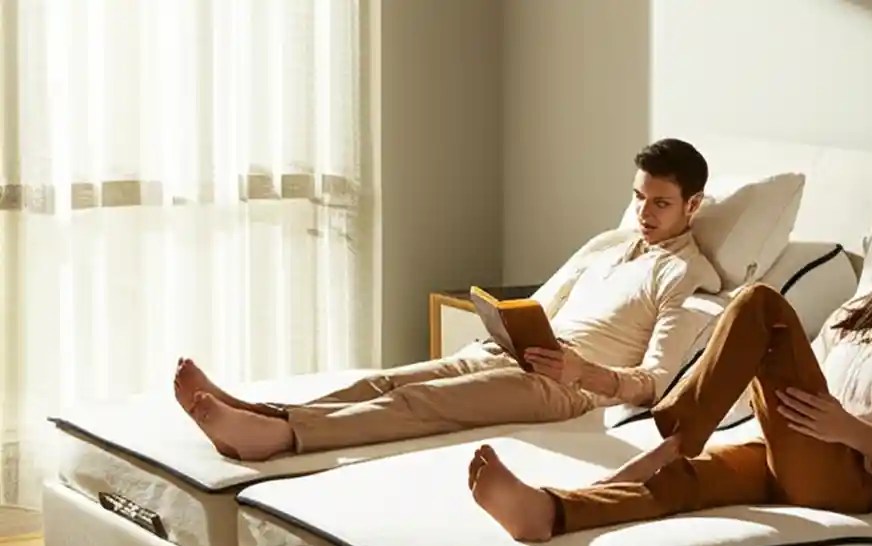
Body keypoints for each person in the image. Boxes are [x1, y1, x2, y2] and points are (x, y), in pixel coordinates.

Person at [469, 177, 872, 542]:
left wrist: (847, 429)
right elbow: (795, 384)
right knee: (683, 481)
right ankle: (550, 510)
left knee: (760, 304)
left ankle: (674, 437)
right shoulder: (854, 316)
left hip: (849, 478)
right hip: (786, 451)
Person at [174, 138, 722, 461]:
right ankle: (258, 412)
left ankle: (284, 436)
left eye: (660, 203)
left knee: (423, 403)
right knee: (387, 382)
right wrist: (503, 330)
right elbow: (542, 305)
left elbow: (656, 382)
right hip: (512, 355)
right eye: (638, 198)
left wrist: (583, 372)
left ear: (693, 205)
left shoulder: (684, 274)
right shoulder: (608, 244)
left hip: (565, 388)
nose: (644, 213)